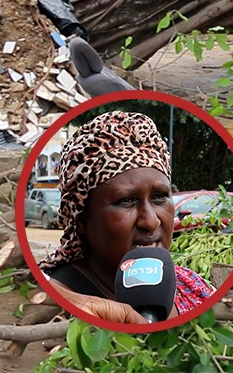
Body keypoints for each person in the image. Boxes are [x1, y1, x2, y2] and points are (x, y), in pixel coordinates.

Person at [38, 111, 215, 324]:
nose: (151, 221)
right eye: (126, 201)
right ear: (81, 219)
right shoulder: (53, 307)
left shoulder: (192, 287)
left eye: (159, 197)